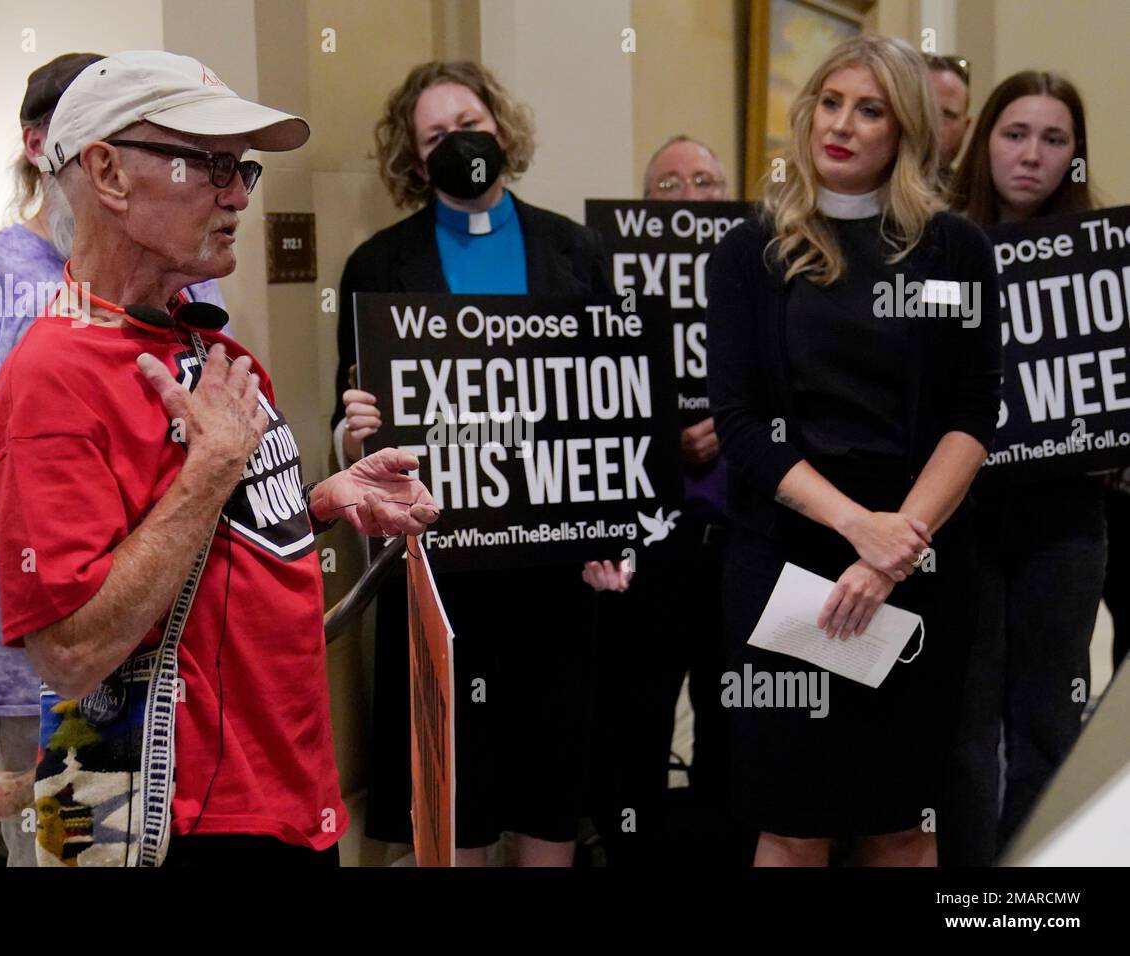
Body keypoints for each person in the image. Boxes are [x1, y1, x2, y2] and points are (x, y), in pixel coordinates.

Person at [0, 50, 438, 867]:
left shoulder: (209, 345)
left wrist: (319, 498)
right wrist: (214, 468)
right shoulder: (53, 375)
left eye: (241, 168)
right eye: (209, 163)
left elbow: (217, 545)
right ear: (107, 173)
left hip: (291, 798)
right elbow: (70, 651)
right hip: (184, 826)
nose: (237, 193)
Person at [0, 53, 224, 867]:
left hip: (190, 667)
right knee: (72, 854)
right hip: (42, 668)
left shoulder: (178, 274)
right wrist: (97, 584)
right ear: (49, 145)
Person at [706, 34, 1001, 867]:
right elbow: (739, 424)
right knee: (795, 820)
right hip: (787, 557)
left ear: (905, 127)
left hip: (922, 561)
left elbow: (973, 416)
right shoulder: (751, 253)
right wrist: (856, 530)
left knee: (901, 821)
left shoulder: (952, 254)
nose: (841, 125)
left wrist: (893, 545)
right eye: (830, 104)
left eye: (869, 110)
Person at [333, 60, 613, 866]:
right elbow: (352, 438)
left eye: (472, 126)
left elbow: (609, 406)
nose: (461, 144)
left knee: (548, 790)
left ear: (502, 130)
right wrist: (357, 436)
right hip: (441, 575)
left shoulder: (574, 249)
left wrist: (610, 527)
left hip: (555, 574)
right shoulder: (377, 266)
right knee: (452, 800)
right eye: (437, 136)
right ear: (415, 161)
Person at [942, 70, 1104, 866]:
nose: (1032, 155)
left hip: (1064, 518)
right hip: (958, 517)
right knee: (966, 729)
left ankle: (1041, 887)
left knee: (1050, 719)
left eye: (1054, 140)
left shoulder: (1109, 257)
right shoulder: (936, 246)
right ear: (984, 142)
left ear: (1076, 156)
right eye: (1014, 134)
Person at [583, 135, 751, 866]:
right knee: (638, 718)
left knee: (736, 713)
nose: (688, 198)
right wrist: (663, 439)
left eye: (705, 183)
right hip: (650, 547)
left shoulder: (763, 273)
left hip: (744, 541)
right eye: (668, 185)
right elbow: (589, 409)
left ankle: (726, 850)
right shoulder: (612, 288)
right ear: (644, 205)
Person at [924, 54, 972, 179]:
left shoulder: (975, 197)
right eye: (923, 111)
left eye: (946, 116)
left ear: (966, 127)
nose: (932, 125)